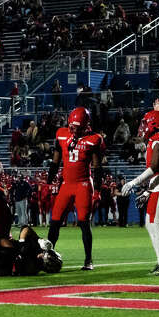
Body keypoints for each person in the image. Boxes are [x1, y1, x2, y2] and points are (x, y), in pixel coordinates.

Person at [46, 107, 105, 270]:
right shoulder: (61, 134)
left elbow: (97, 167)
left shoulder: (94, 139)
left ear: (86, 125)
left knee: (83, 222)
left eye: (78, 127)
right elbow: (55, 161)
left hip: (83, 184)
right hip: (66, 184)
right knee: (55, 221)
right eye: (72, 126)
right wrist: (49, 181)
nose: (74, 130)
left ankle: (88, 260)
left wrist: (98, 191)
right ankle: (48, 255)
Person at [122, 105, 159, 275]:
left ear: (153, 123)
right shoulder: (156, 138)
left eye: (146, 123)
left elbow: (154, 167)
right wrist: (148, 190)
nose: (143, 126)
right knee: (149, 224)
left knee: (155, 224)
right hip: (157, 185)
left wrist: (133, 183)